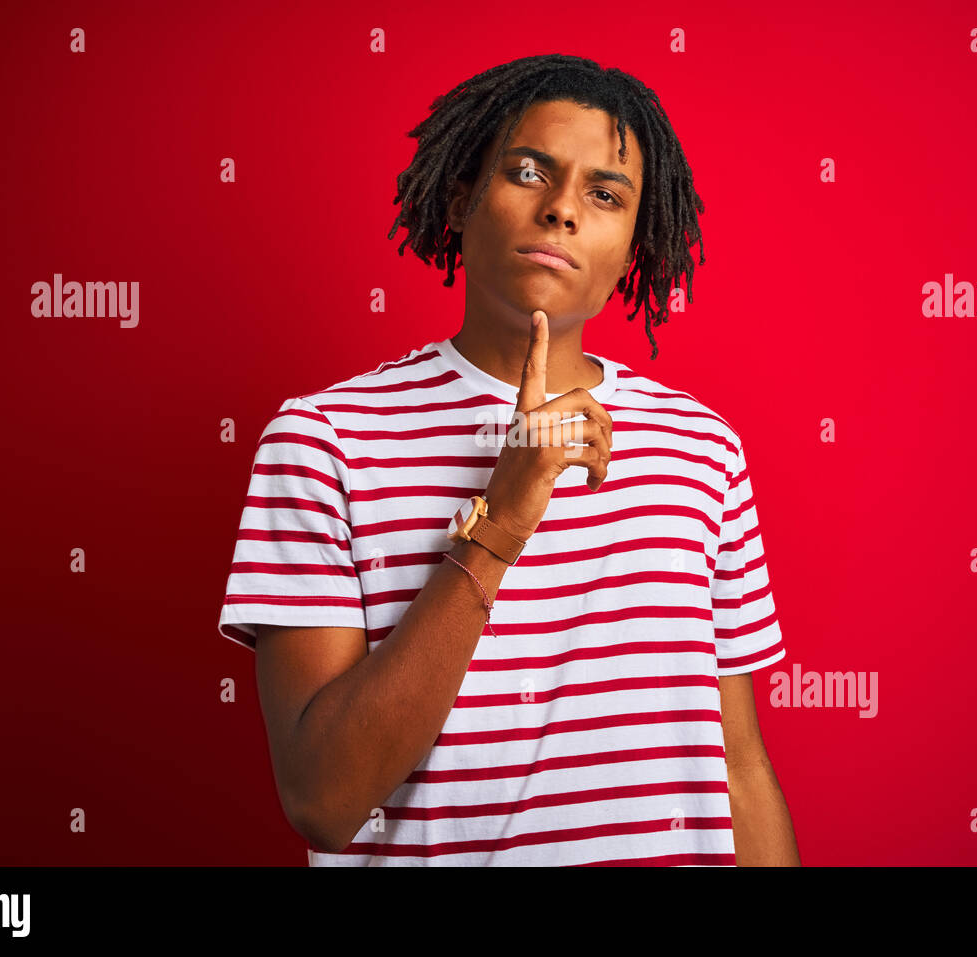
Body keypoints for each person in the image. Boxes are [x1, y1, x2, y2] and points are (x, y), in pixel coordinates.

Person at [218, 54, 798, 866]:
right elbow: (323, 798)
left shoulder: (702, 446)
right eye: (529, 172)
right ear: (460, 199)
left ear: (632, 246)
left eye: (604, 194)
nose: (562, 209)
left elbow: (738, 771)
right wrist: (504, 514)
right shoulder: (323, 439)